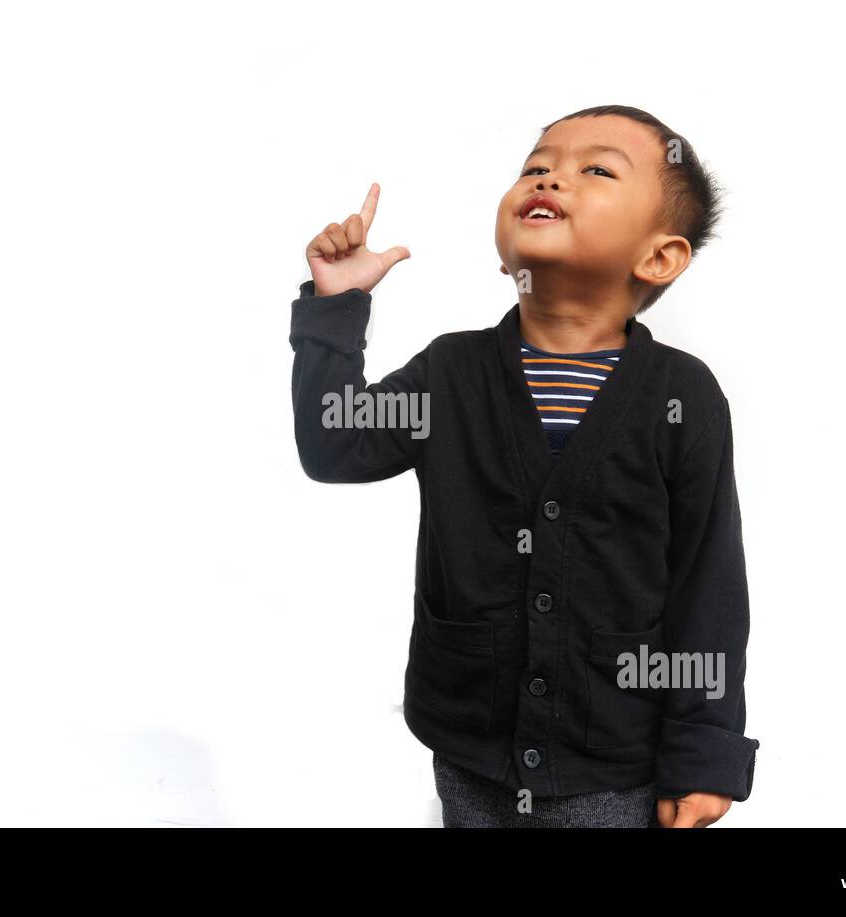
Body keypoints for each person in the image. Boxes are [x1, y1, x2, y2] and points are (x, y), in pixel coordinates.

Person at [289, 105, 759, 828]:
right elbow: (333, 443)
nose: (551, 178)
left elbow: (710, 584)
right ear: (505, 253)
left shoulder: (682, 396)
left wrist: (705, 752)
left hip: (612, 762)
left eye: (595, 169)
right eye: (536, 167)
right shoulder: (450, 373)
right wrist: (338, 303)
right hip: (469, 747)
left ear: (658, 257)